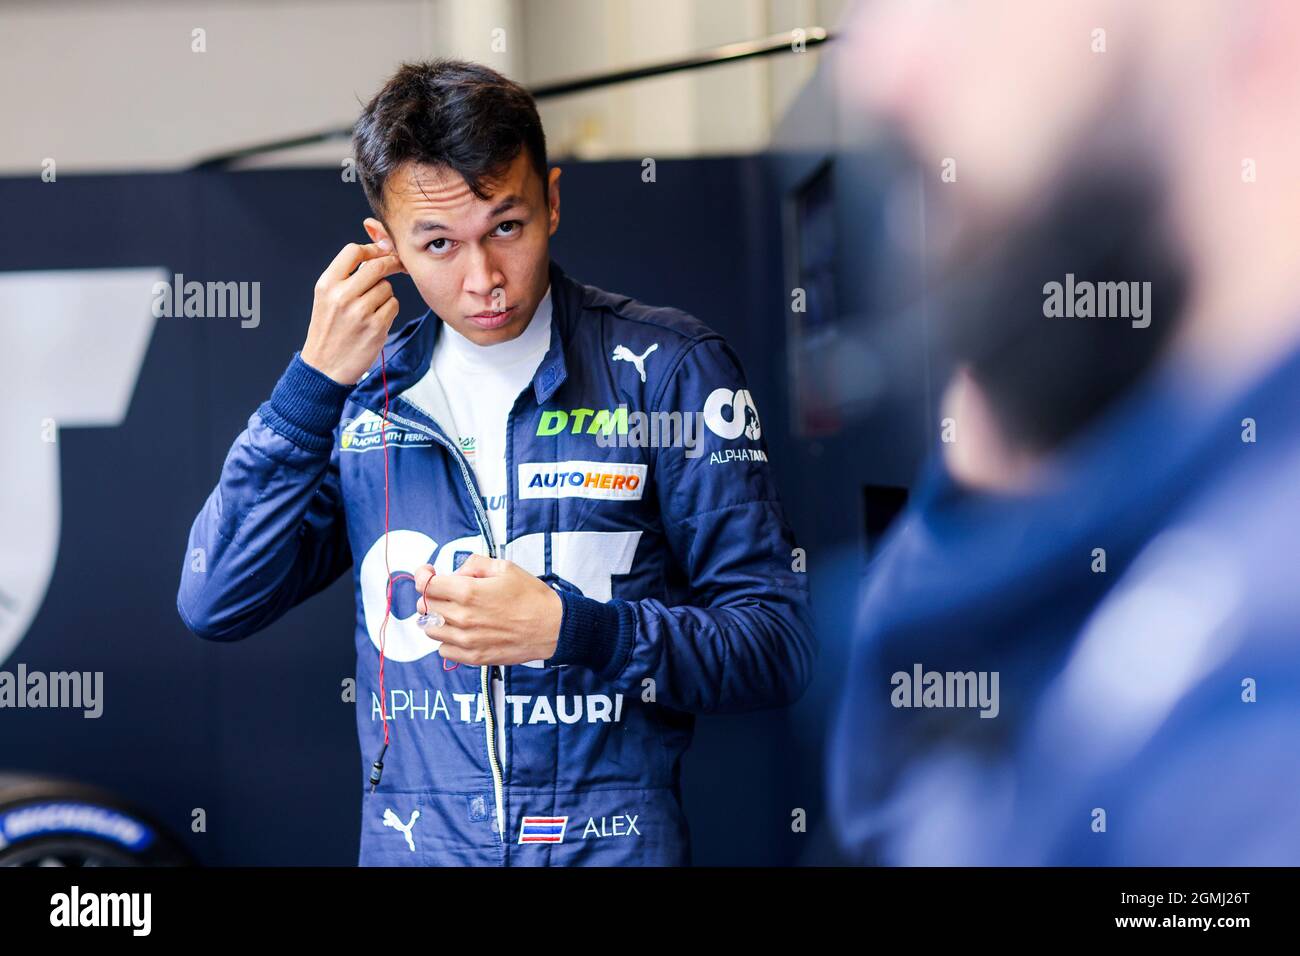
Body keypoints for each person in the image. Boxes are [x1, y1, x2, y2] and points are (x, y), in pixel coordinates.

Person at [177, 59, 814, 866]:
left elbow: (778, 646)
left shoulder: (670, 367)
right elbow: (216, 599)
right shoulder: (361, 395)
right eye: (438, 243)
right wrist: (307, 388)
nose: (483, 281)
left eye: (505, 228)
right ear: (387, 246)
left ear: (550, 200)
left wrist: (575, 630)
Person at [828, 0, 1300, 864]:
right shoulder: (1174, 527)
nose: (879, 69)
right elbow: (919, 800)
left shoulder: (1257, 729)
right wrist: (980, 507)